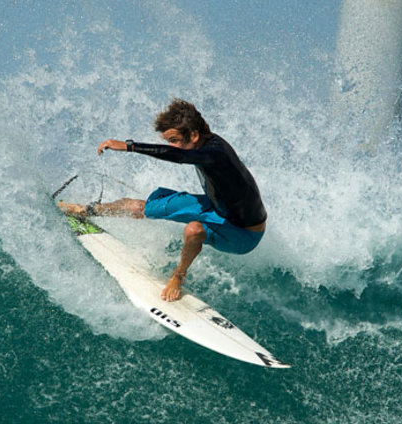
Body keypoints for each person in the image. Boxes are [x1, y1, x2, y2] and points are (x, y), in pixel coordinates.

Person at [59, 98, 267, 302]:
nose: (171, 145)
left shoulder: (215, 153)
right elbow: (180, 153)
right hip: (217, 207)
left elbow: (178, 157)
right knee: (142, 208)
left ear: (194, 135)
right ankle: (84, 210)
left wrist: (129, 146)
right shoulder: (202, 145)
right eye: (169, 140)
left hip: (243, 233)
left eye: (174, 140)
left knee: (194, 230)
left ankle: (178, 277)